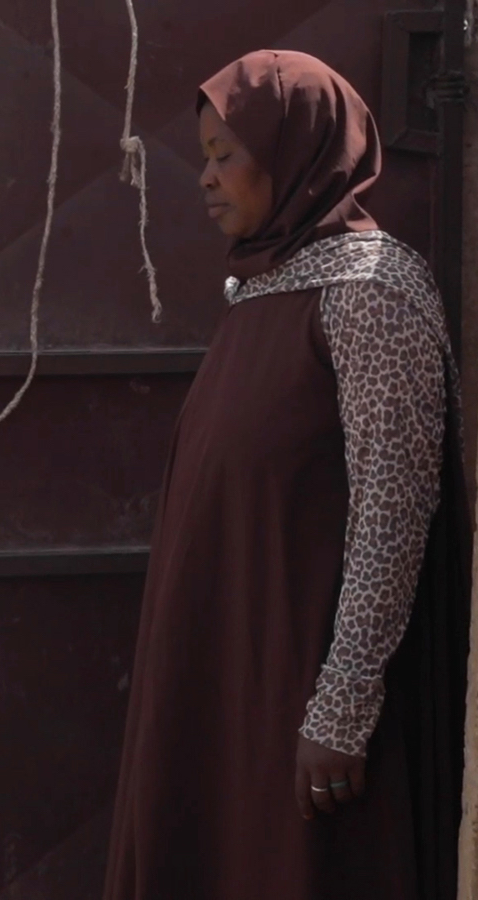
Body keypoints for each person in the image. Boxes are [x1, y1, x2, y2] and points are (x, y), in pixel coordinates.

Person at [103, 50, 470, 900]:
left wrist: (342, 704)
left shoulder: (372, 292)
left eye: (227, 152)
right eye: (204, 155)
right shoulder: (262, 291)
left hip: (307, 690)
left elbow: (392, 507)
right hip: (230, 671)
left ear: (299, 148)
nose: (206, 177)